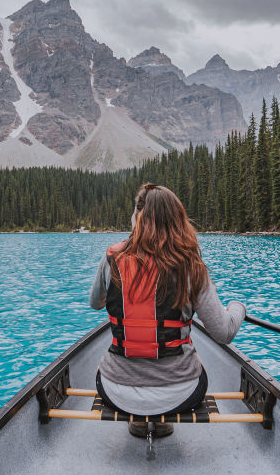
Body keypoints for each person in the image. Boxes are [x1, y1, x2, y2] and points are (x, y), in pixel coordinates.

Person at [88, 183, 247, 438]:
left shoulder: (112, 260)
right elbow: (224, 333)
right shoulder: (191, 266)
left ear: (137, 218)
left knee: (105, 365)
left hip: (115, 391)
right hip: (180, 394)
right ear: (178, 222)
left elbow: (95, 303)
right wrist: (239, 308)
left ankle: (139, 421)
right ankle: (160, 421)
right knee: (198, 362)